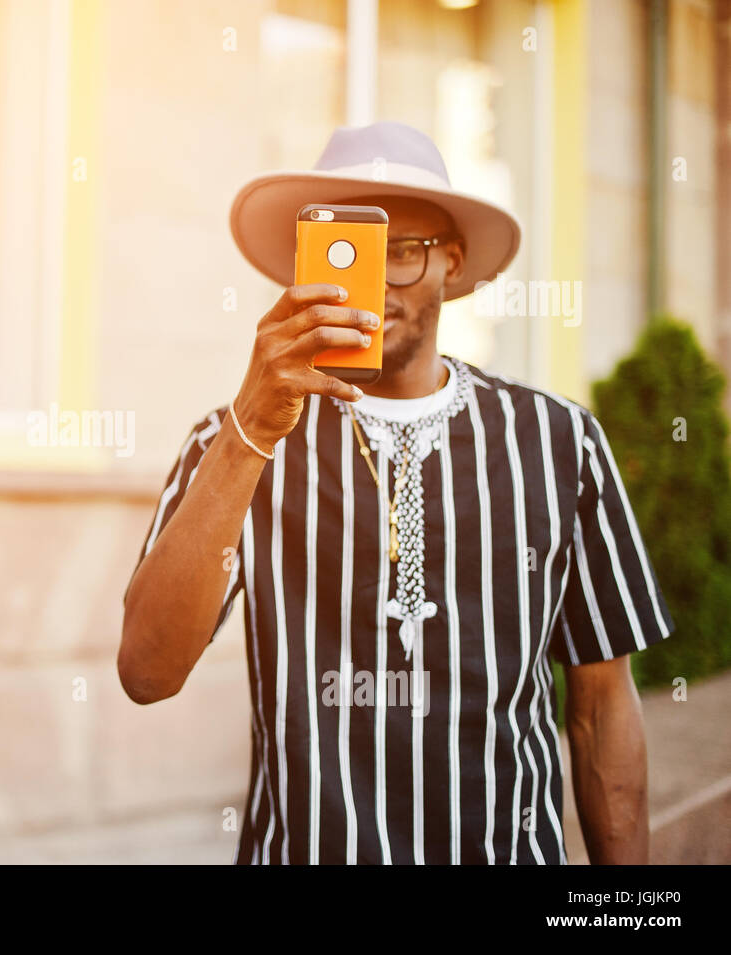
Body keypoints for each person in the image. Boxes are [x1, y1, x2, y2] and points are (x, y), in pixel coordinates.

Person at [119, 121, 676, 865]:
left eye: (403, 250)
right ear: (301, 264)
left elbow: (602, 705)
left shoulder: (558, 442)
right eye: (345, 252)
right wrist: (251, 426)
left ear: (451, 260)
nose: (374, 281)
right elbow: (146, 672)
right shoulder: (230, 443)